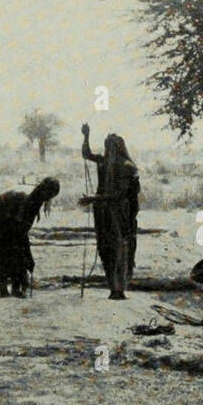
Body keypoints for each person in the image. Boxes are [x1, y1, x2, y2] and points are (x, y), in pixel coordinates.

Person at [79, 125, 140, 299]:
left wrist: (93, 199)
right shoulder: (104, 162)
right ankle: (113, 288)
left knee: (119, 249)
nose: (107, 150)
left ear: (118, 147)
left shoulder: (127, 166)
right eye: (106, 146)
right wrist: (86, 136)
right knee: (105, 248)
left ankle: (119, 288)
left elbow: (119, 194)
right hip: (104, 212)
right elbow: (86, 154)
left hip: (120, 213)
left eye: (110, 146)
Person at [0, 178, 61, 297]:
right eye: (49, 195)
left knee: (15, 253)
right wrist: (29, 258)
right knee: (4, 253)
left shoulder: (35, 196)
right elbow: (19, 236)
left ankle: (14, 288)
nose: (48, 199)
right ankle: (7, 290)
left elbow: (20, 233)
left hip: (3, 214)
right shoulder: (29, 202)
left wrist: (27, 259)